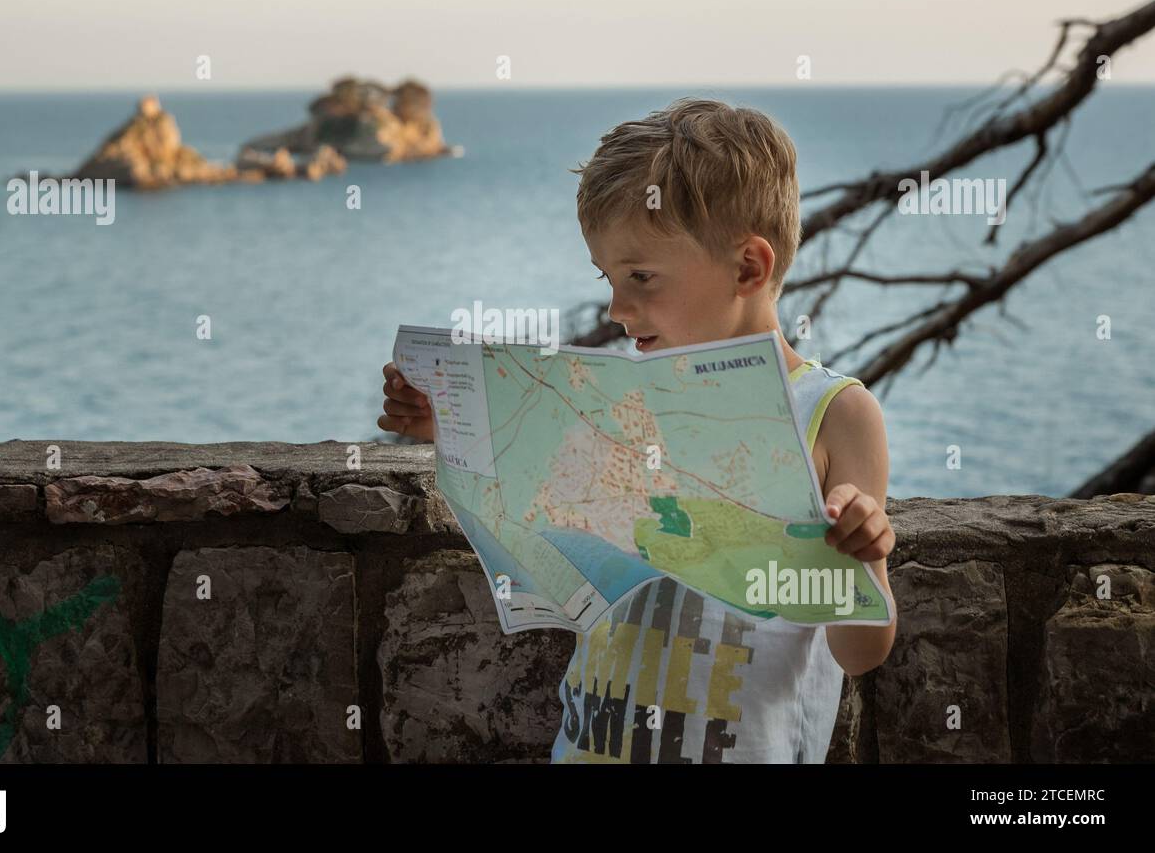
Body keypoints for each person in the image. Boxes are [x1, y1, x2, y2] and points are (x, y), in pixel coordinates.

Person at [378, 98, 897, 763]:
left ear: (748, 268)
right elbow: (541, 523)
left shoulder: (834, 413)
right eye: (608, 279)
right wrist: (452, 421)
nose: (618, 310)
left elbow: (861, 654)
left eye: (641, 278)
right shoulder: (615, 404)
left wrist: (866, 556)